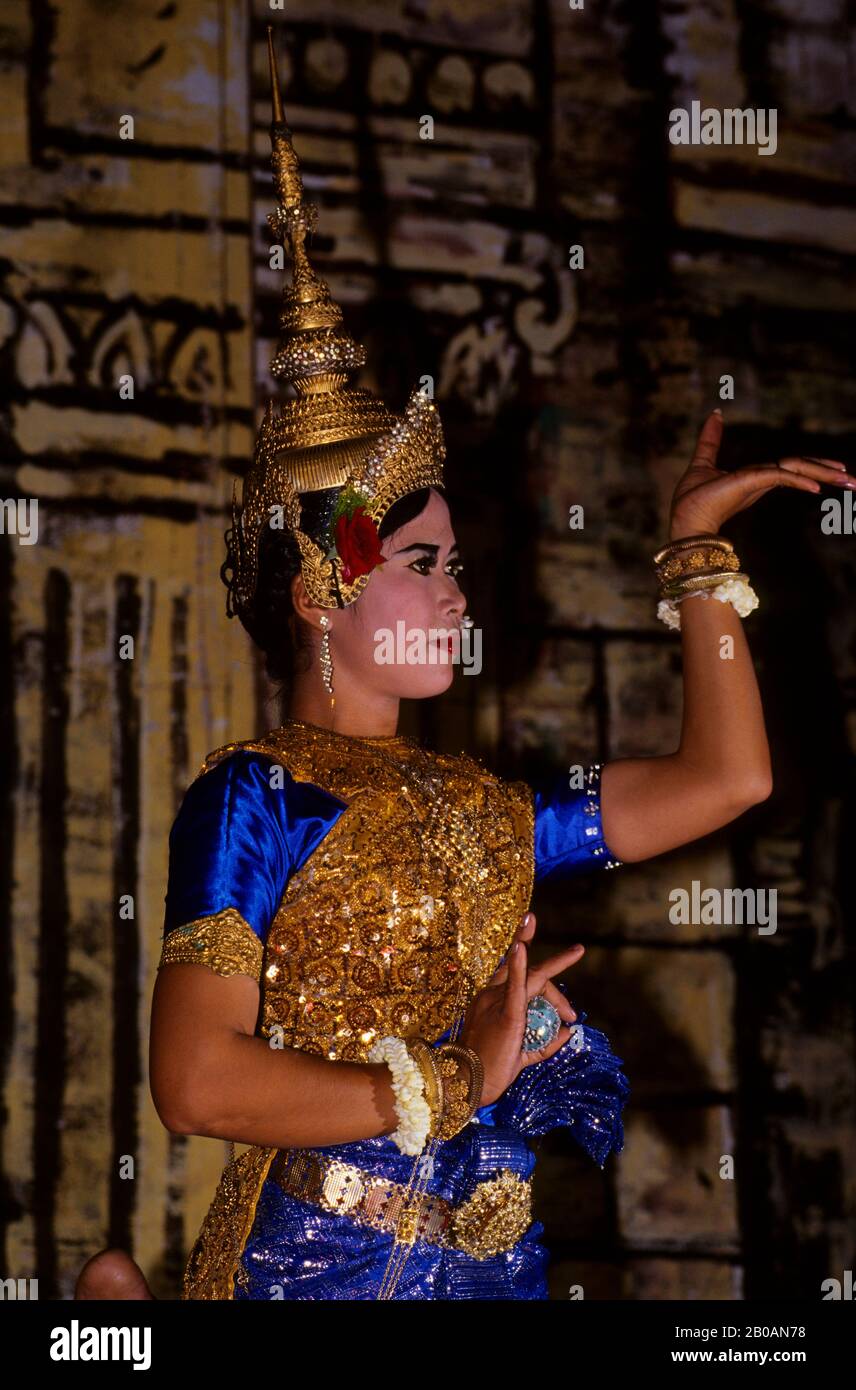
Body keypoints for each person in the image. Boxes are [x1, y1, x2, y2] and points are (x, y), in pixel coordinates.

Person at [75, 27, 855, 1303]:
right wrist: (452, 1079)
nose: (458, 589)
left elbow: (728, 780)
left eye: (455, 563)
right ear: (328, 583)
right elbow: (197, 1082)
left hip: (493, 1270)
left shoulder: (491, 815)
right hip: (314, 1270)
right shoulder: (256, 799)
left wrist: (695, 556)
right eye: (426, 563)